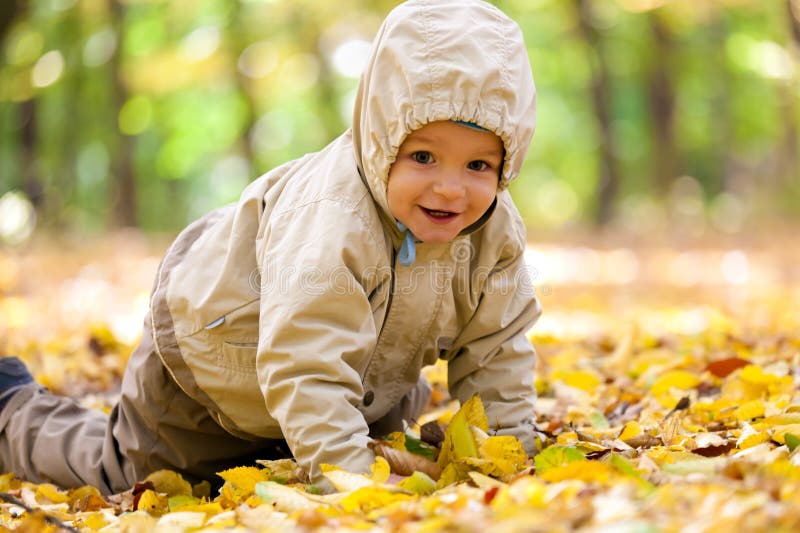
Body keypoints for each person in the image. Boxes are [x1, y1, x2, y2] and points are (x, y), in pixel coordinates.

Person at [0, 0, 540, 494]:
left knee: (351, 437)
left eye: (478, 165)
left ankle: (321, 442)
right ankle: (11, 407)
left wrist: (505, 458)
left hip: (356, 382)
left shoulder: (493, 231)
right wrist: (353, 486)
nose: (450, 187)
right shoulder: (333, 220)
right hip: (210, 381)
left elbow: (498, 346)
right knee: (130, 476)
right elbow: (305, 361)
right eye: (424, 157)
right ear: (382, 141)